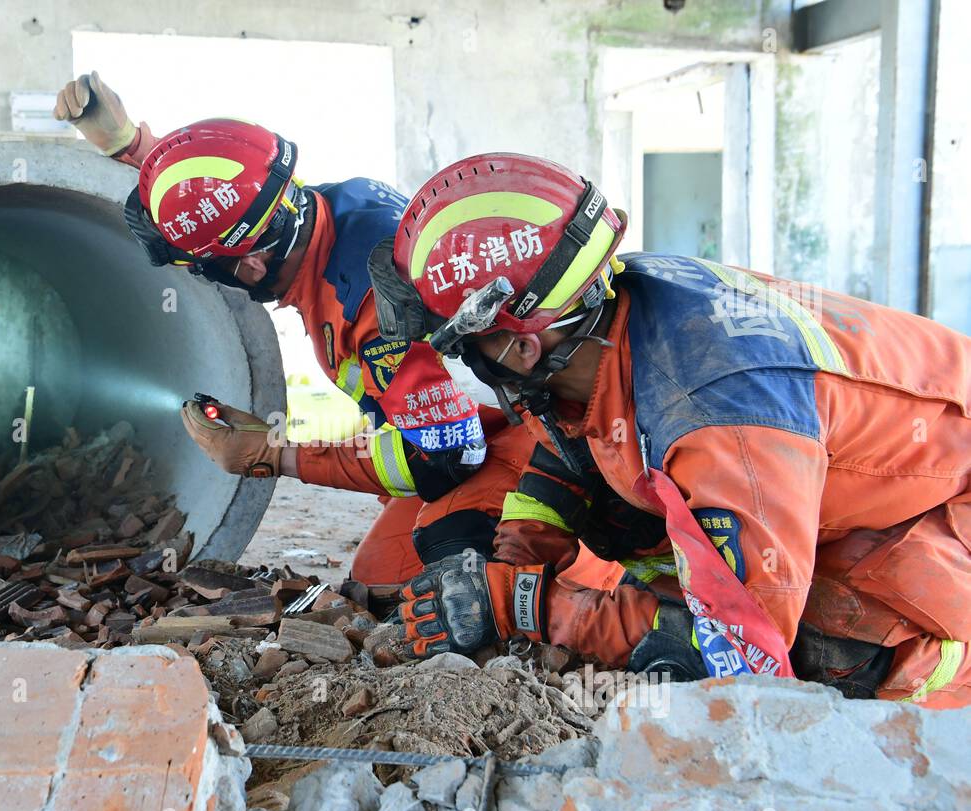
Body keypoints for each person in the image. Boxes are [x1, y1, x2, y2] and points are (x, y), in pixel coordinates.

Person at [374, 151, 971, 708]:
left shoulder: (718, 423)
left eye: (466, 349)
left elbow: (745, 657)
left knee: (821, 647)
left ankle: (926, 695)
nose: (466, 366)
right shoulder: (607, 318)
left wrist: (529, 609)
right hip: (838, 467)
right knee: (627, 514)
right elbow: (567, 446)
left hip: (946, 507)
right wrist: (515, 560)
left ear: (522, 345)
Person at [54, 74, 620, 590]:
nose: (208, 278)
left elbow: (446, 456)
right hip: (504, 426)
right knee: (392, 553)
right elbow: (233, 195)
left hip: (535, 448)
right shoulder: (328, 210)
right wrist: (130, 146)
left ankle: (594, 569)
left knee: (394, 581)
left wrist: (272, 454)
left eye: (202, 267)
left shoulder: (370, 307)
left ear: (249, 264)